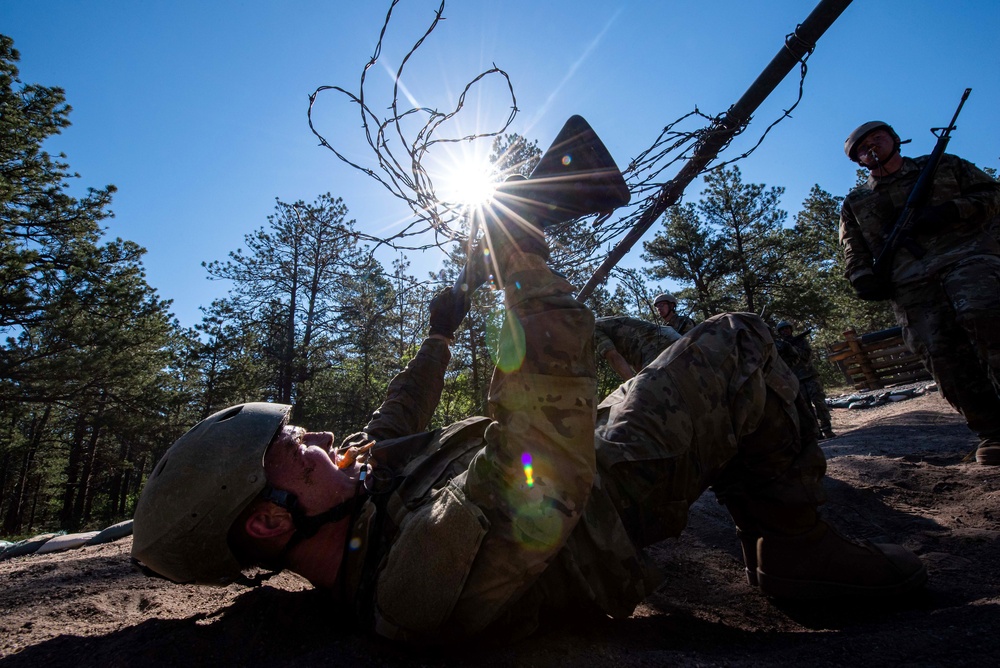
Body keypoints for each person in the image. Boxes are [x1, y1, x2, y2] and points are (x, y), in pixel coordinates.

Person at [133, 198, 926, 647]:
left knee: (656, 345)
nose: (310, 438)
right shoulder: (412, 577)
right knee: (737, 340)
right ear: (272, 522)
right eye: (287, 448)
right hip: (602, 491)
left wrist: (441, 332)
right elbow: (537, 446)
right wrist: (523, 265)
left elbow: (393, 418)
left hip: (573, 456)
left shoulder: (354, 503)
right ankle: (798, 549)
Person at [840, 120, 1000, 465]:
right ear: (858, 162)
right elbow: (853, 249)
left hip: (968, 255)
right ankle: (993, 432)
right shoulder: (857, 202)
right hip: (910, 281)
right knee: (940, 353)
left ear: (895, 140)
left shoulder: (943, 165)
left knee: (983, 316)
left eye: (877, 139)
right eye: (862, 147)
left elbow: (993, 195)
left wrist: (952, 210)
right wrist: (862, 277)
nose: (872, 147)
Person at [774, 321, 835, 440]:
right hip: (796, 381)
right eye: (782, 330)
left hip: (810, 376)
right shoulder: (780, 347)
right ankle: (816, 432)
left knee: (819, 403)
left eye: (787, 329)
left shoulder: (800, 341)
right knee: (806, 409)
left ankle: (827, 429)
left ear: (791, 330)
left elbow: (806, 356)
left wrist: (792, 348)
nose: (785, 331)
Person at [593, 315, 681, 381]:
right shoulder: (603, 323)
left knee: (653, 390)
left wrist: (632, 386)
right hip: (669, 338)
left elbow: (613, 357)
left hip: (659, 344)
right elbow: (636, 361)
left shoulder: (591, 328)